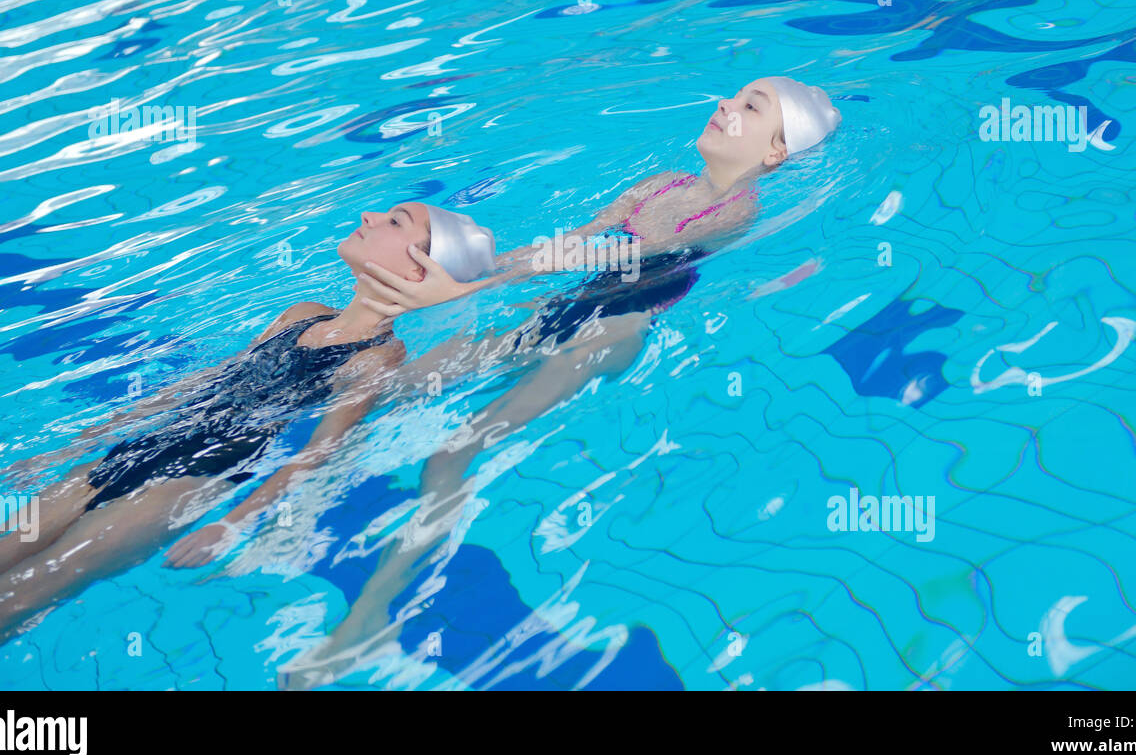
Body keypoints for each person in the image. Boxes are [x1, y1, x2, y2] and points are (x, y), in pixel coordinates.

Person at [275, 76, 842, 687]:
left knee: (450, 454)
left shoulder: (737, 209)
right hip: (562, 309)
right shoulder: (661, 185)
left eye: (751, 106)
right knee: (396, 384)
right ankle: (301, 492)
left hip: (611, 330)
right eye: (733, 94)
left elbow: (621, 259)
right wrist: (480, 273)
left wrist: (471, 289)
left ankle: (369, 622)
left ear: (777, 153)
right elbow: (571, 245)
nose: (726, 104)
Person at [0, 202, 497, 691]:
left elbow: (319, 452)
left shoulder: (377, 357)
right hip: (133, 452)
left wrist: (235, 523)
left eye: (394, 220)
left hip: (186, 485)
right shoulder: (302, 313)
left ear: (419, 269)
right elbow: (206, 383)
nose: (368, 217)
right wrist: (76, 447)